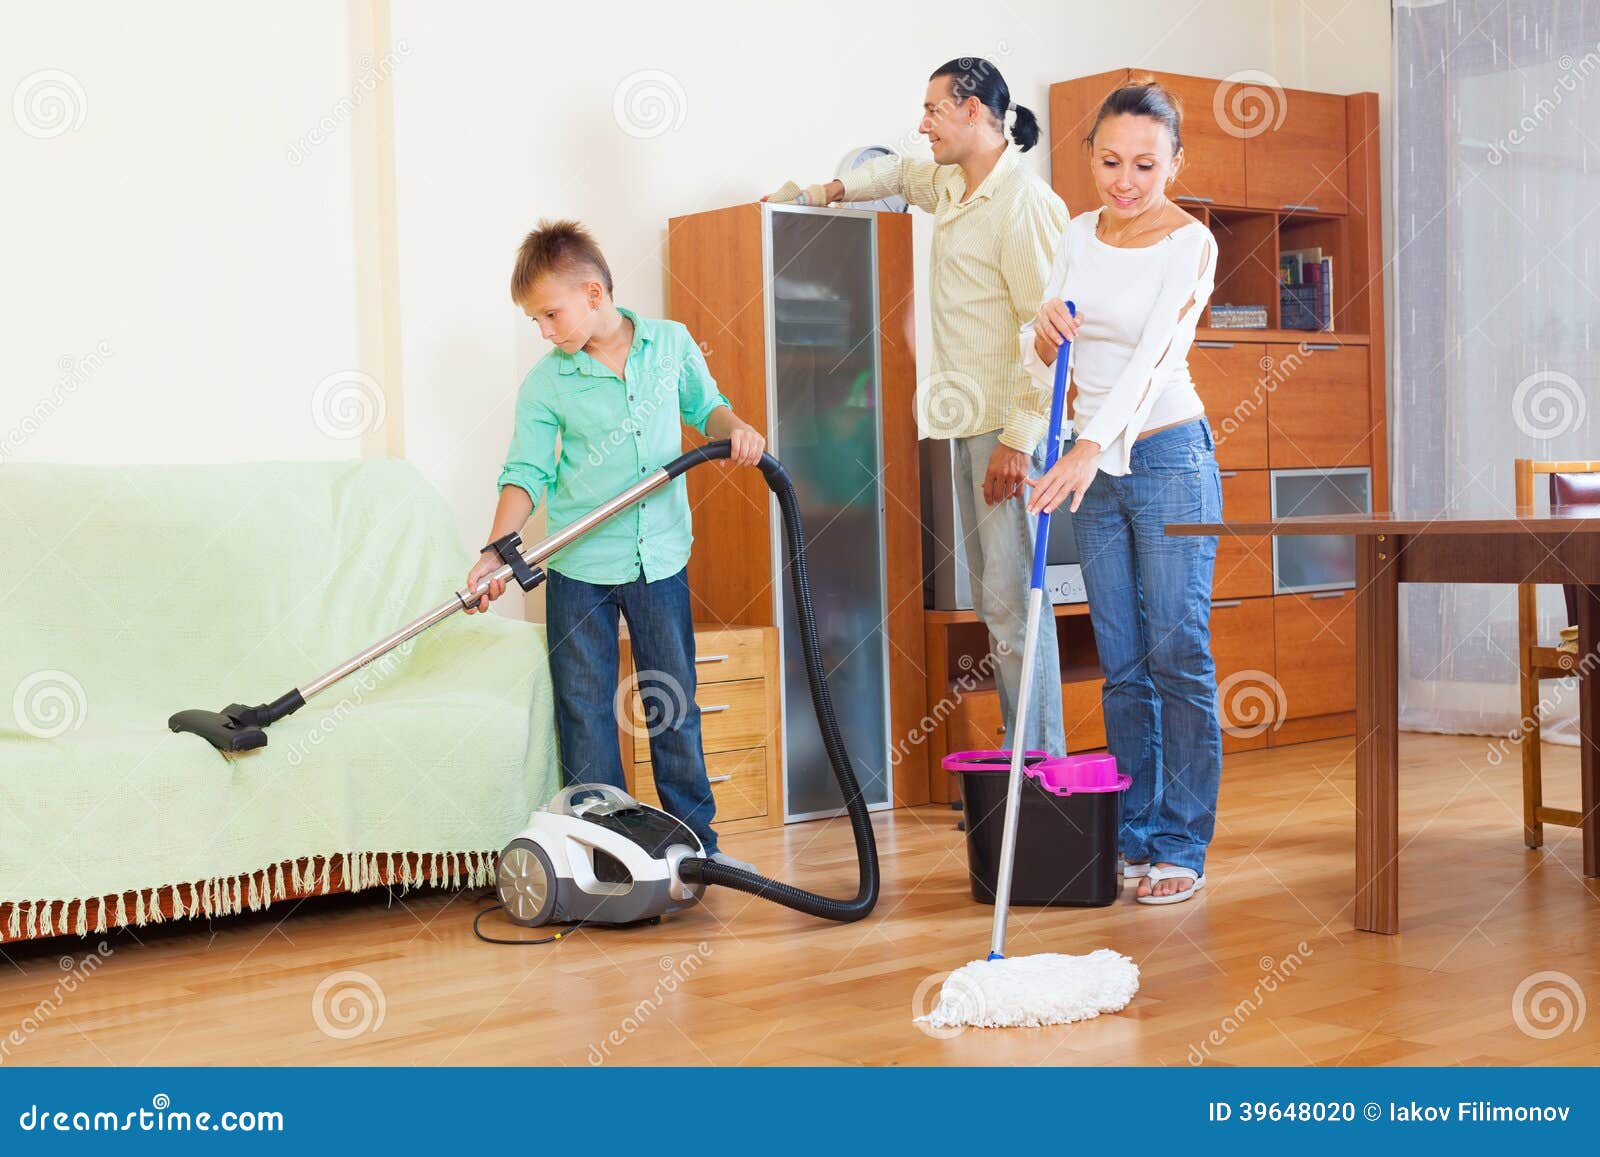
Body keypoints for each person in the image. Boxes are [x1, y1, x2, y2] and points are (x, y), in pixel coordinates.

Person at [766, 57, 1070, 757]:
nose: (923, 123)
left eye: (934, 109)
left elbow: (1051, 338)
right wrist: (827, 190)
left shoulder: (1023, 203)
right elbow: (900, 175)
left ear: (972, 112)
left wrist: (1020, 440)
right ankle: (1022, 751)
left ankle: (1039, 763)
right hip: (968, 424)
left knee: (1014, 602)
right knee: (996, 602)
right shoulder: (955, 186)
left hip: (1006, 429)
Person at [467, 218, 764, 870]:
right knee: (585, 714)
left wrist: (736, 428)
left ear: (595, 293)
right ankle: (609, 855)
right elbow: (526, 473)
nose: (544, 331)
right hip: (578, 567)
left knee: (671, 706)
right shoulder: (549, 381)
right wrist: (495, 549)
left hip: (660, 558)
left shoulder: (671, 344)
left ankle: (697, 850)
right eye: (535, 320)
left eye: (550, 313)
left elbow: (705, 407)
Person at [1022, 79, 1223, 905]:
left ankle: (1182, 839)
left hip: (1166, 454)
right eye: (1110, 161)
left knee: (1177, 652)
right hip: (1089, 463)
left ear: (1175, 161)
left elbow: (1149, 363)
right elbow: (1057, 350)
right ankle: (1132, 830)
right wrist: (1041, 332)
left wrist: (1092, 447)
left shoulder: (1192, 245)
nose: (1126, 180)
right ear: (1091, 158)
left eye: (1146, 163)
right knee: (1122, 660)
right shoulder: (1074, 233)